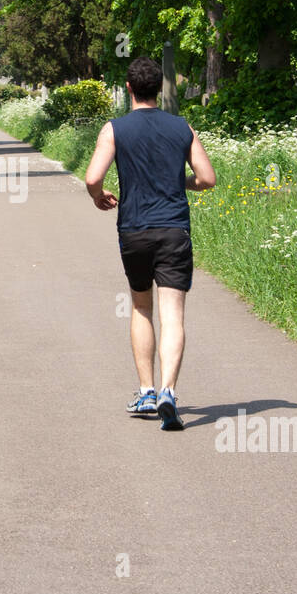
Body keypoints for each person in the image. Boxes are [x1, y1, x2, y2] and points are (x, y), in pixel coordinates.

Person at [84, 56, 216, 431]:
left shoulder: (115, 129)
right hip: (174, 229)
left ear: (129, 88)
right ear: (160, 88)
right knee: (172, 312)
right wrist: (181, 184)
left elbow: (94, 177)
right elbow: (206, 178)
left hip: (134, 230)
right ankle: (168, 392)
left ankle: (145, 391)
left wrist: (98, 196)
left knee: (141, 307)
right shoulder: (181, 128)